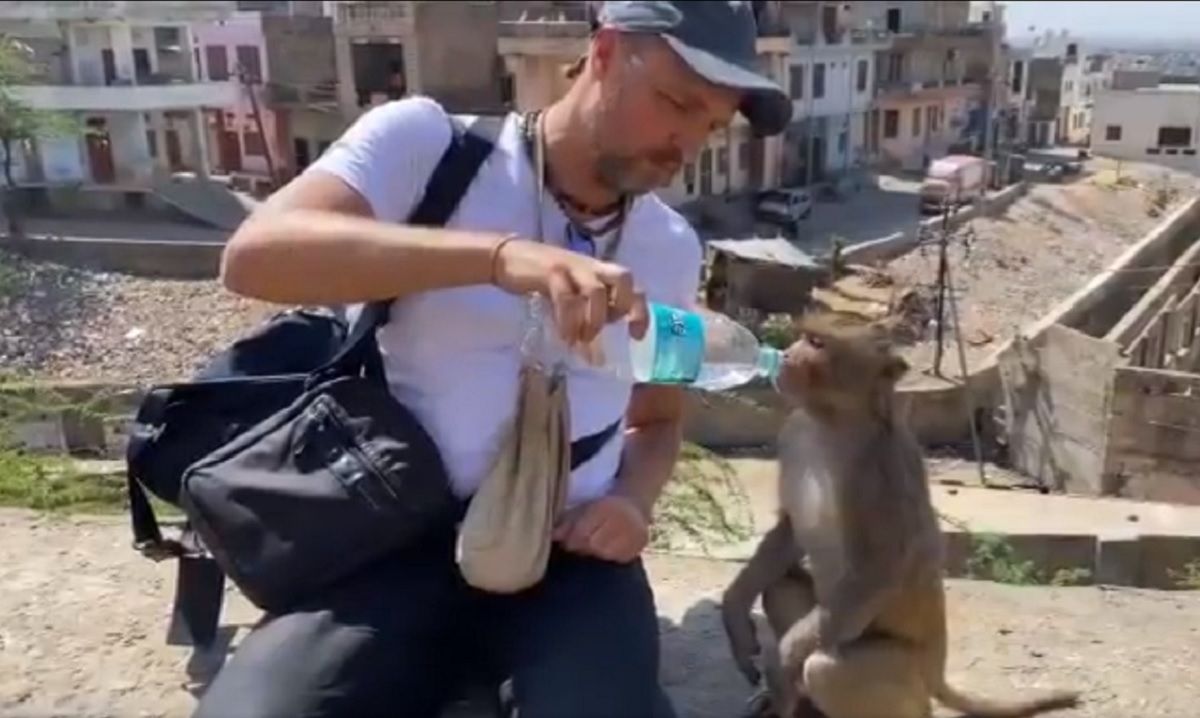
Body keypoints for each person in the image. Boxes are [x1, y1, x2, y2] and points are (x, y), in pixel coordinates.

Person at [200, 2, 791, 717]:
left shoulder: (667, 247)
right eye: (676, 103)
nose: (685, 144)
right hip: (396, 534)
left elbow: (656, 420)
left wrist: (632, 502)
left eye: (709, 124)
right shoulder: (430, 148)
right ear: (603, 53)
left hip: (571, 554)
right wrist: (498, 258)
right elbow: (255, 258)